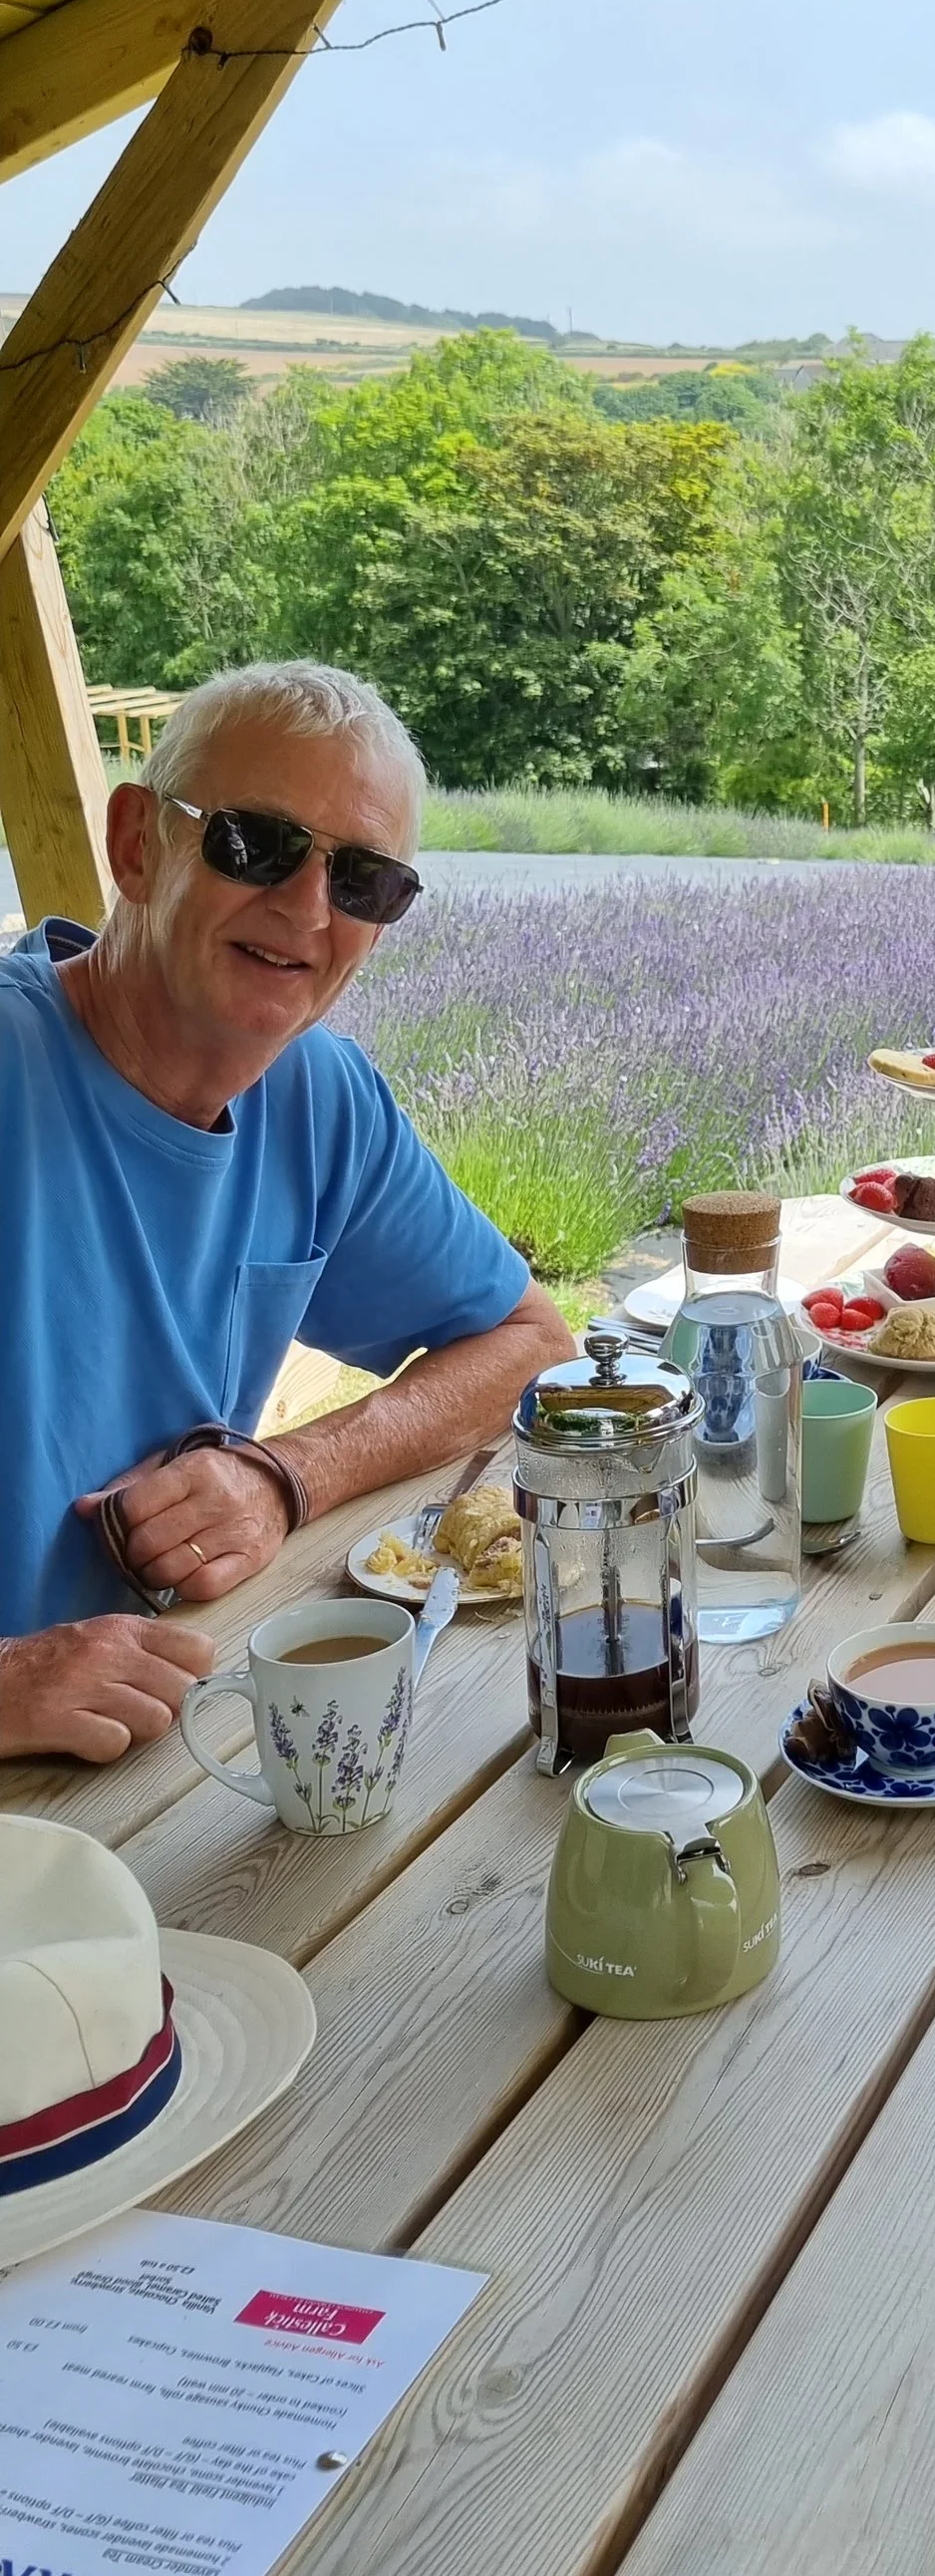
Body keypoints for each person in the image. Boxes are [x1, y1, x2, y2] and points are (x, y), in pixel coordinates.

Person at [0, 661, 569, 1766]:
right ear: (135, 847)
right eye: (254, 844)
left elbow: (529, 1345)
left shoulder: (317, 1097)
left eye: (364, 881)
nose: (308, 907)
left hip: (157, 1751)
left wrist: (283, 1475)